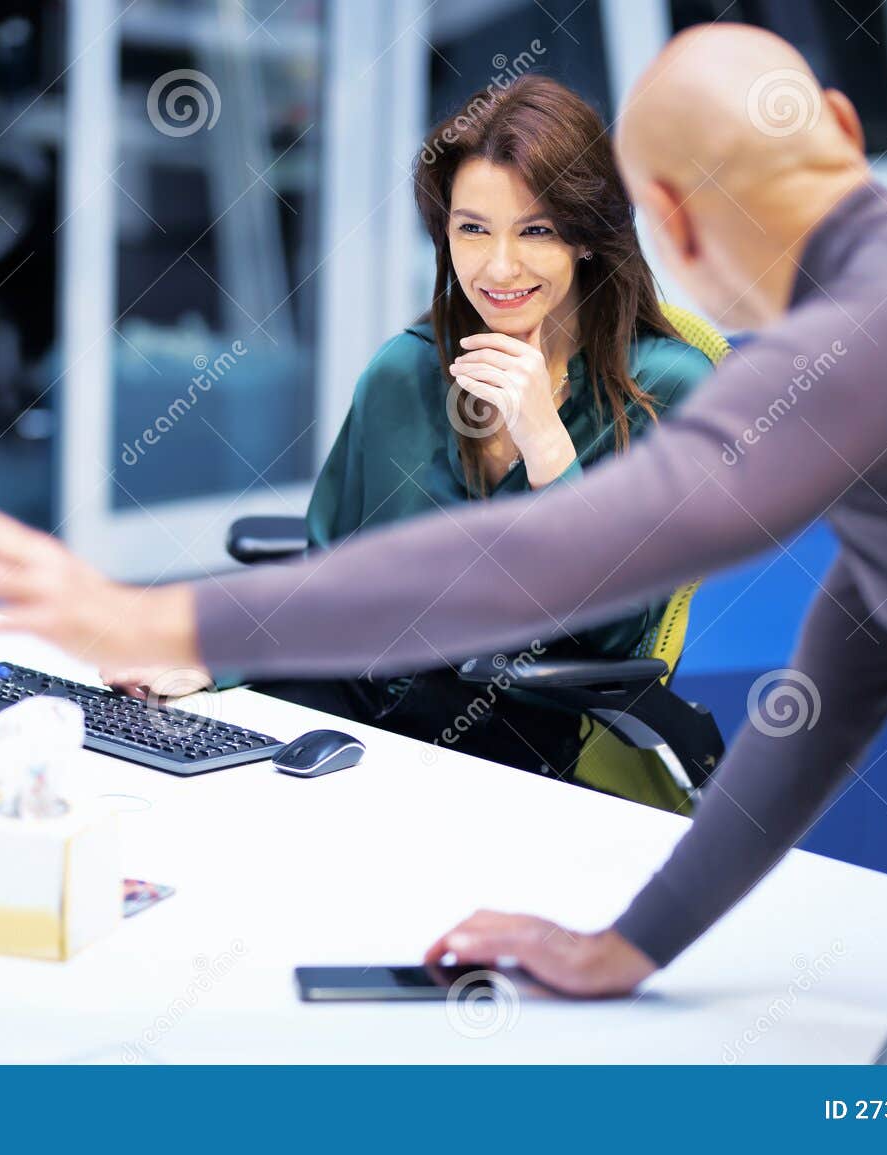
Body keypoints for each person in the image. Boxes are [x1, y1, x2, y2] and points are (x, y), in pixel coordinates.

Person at [0, 24, 887, 996]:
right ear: (847, 128)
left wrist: (161, 621)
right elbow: (822, 705)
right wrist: (631, 947)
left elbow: (568, 552)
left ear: (665, 217)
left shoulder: (869, 334)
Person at [220, 76, 710, 807]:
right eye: (472, 228)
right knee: (208, 765)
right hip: (361, 693)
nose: (498, 267)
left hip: (519, 719)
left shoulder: (668, 389)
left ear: (584, 236)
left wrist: (547, 443)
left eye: (535, 230)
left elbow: (614, 639)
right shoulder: (406, 369)